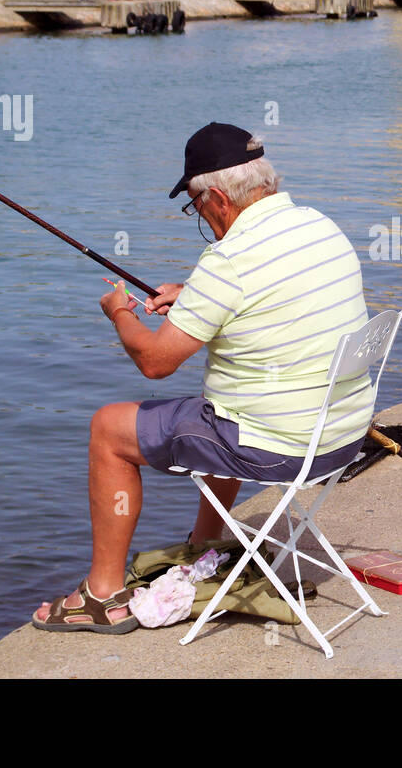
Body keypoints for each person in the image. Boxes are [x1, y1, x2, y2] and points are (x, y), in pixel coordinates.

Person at [32, 123, 375, 633]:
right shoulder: (317, 225)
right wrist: (193, 294)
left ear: (217, 197)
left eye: (195, 208)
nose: (201, 219)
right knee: (217, 404)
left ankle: (101, 595)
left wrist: (119, 314)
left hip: (281, 445)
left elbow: (155, 362)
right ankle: (205, 543)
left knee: (109, 428)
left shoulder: (230, 259)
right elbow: (274, 291)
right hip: (341, 438)